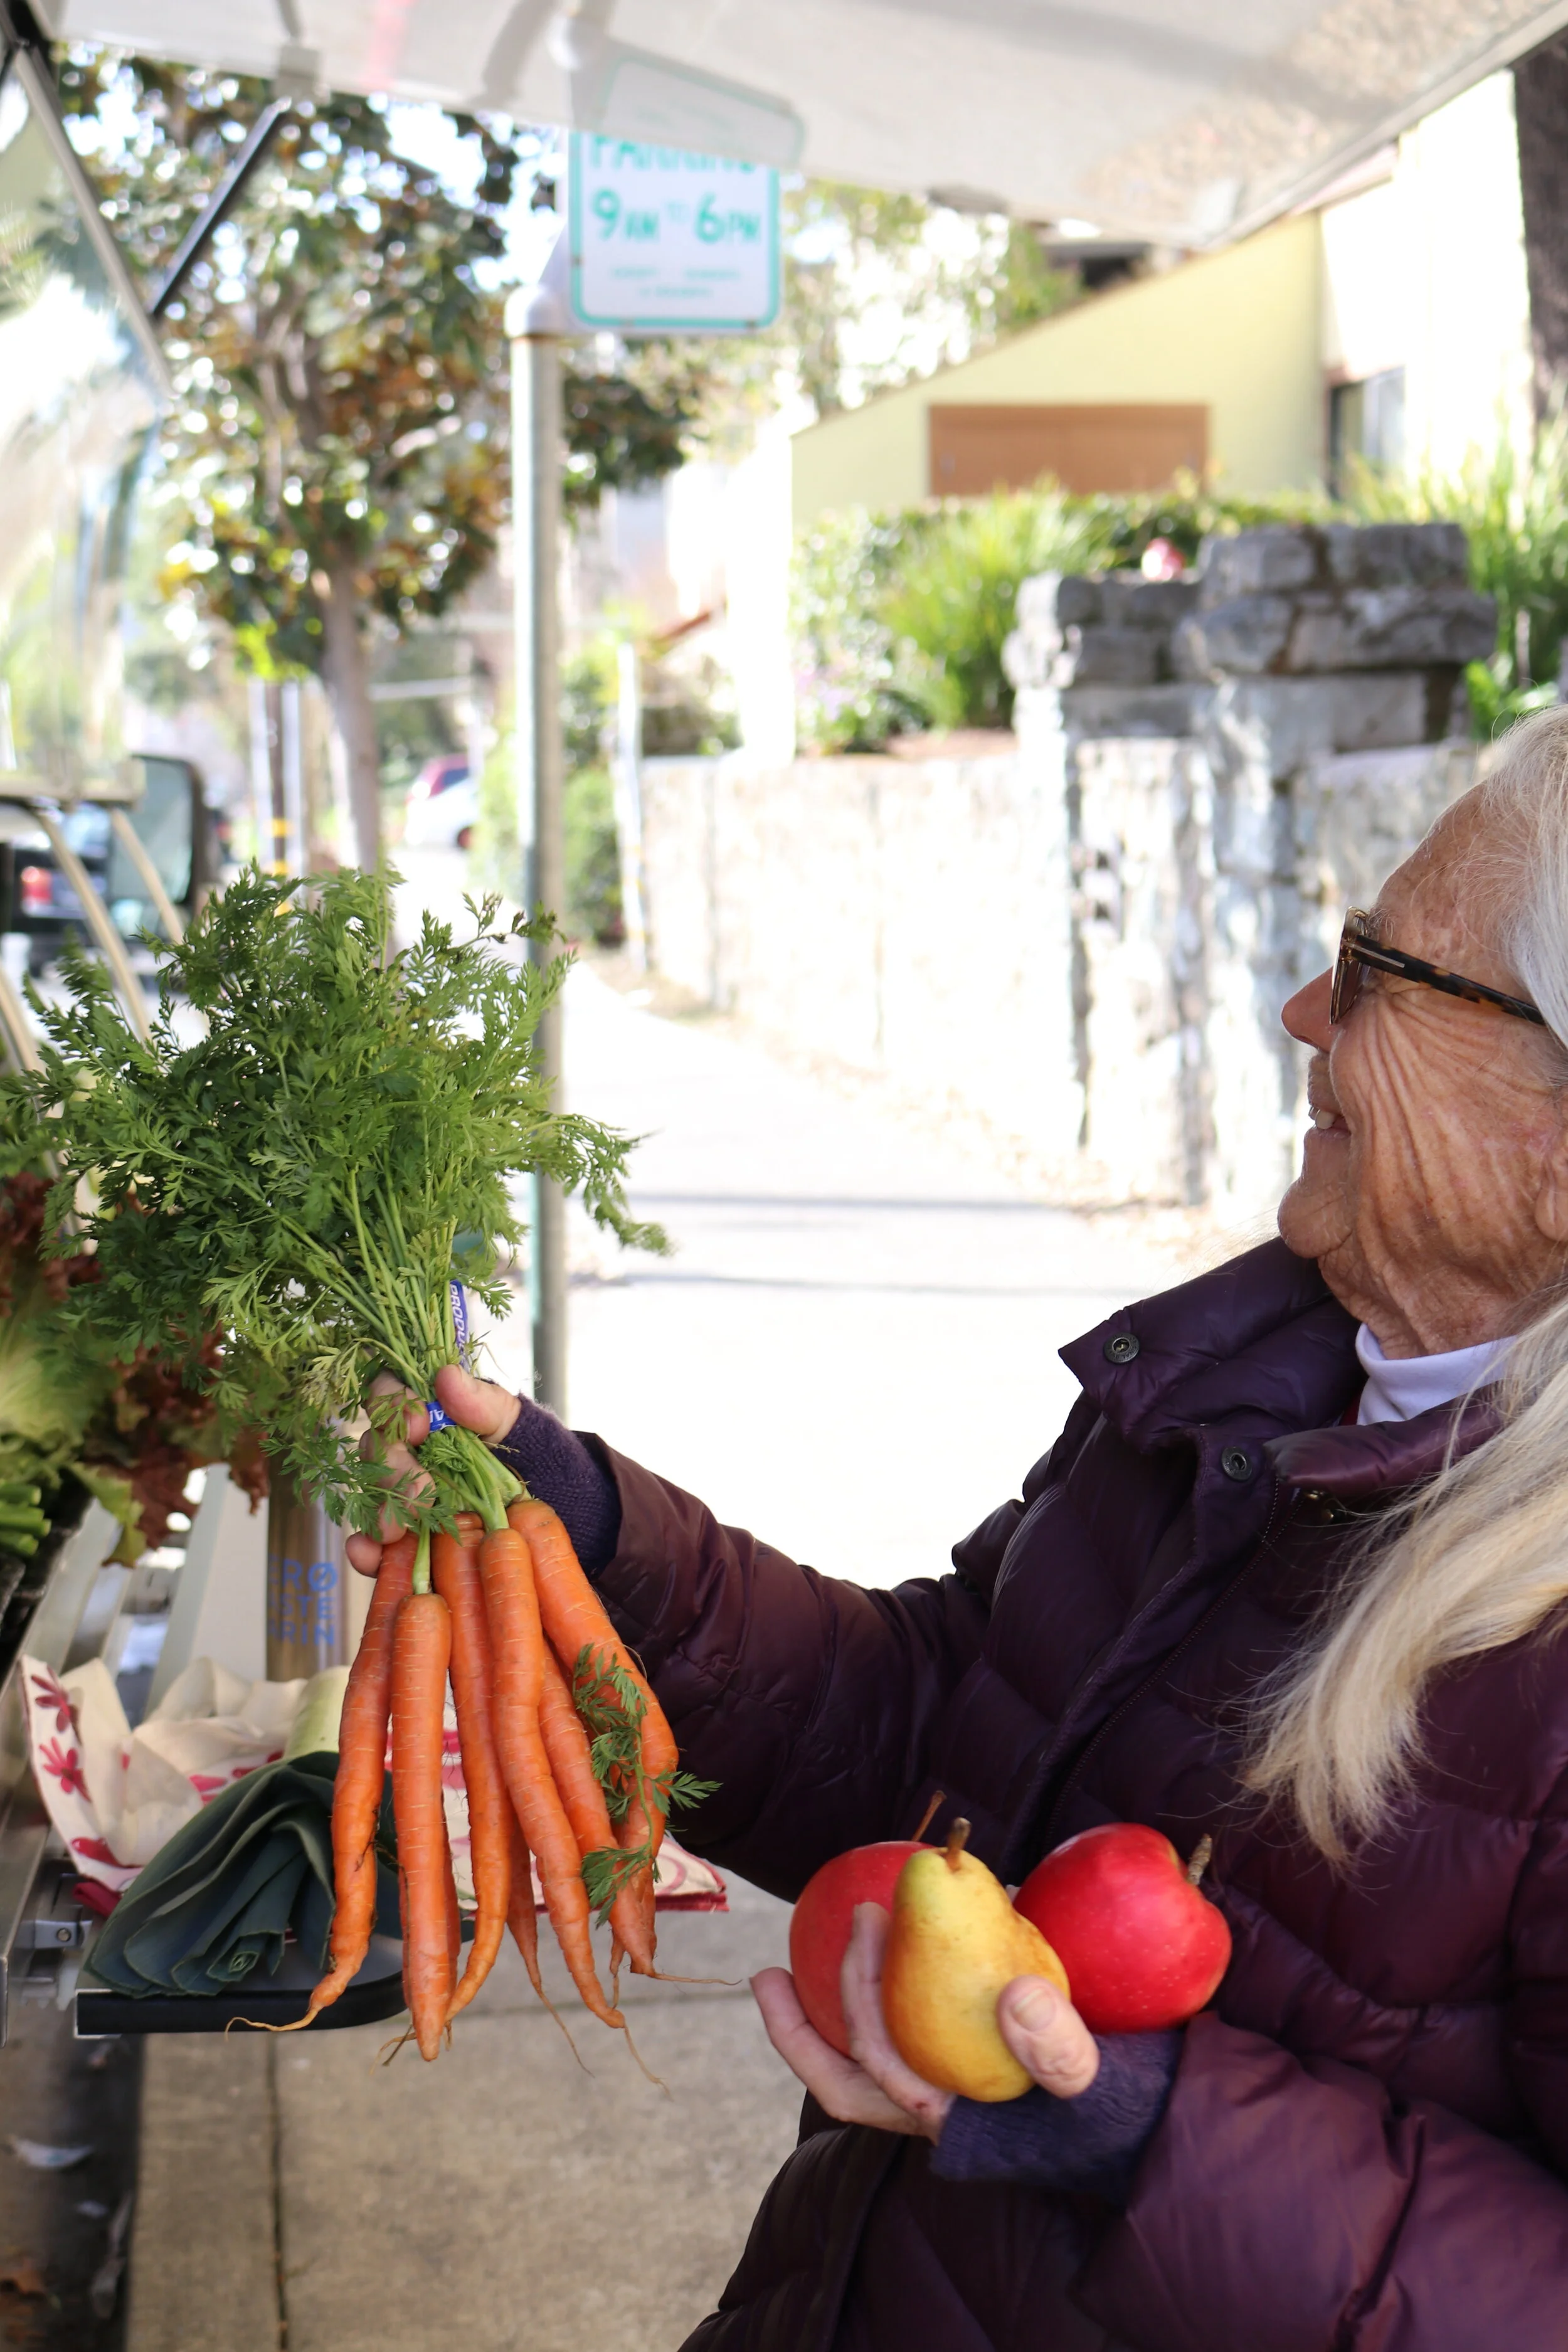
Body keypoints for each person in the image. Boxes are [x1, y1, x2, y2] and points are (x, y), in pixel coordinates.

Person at [349, 706, 1568, 2348]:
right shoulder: (1237, 1386)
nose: (1299, 1012)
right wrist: (593, 1542)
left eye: (1372, 973)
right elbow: (940, 1743)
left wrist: (1149, 2132)